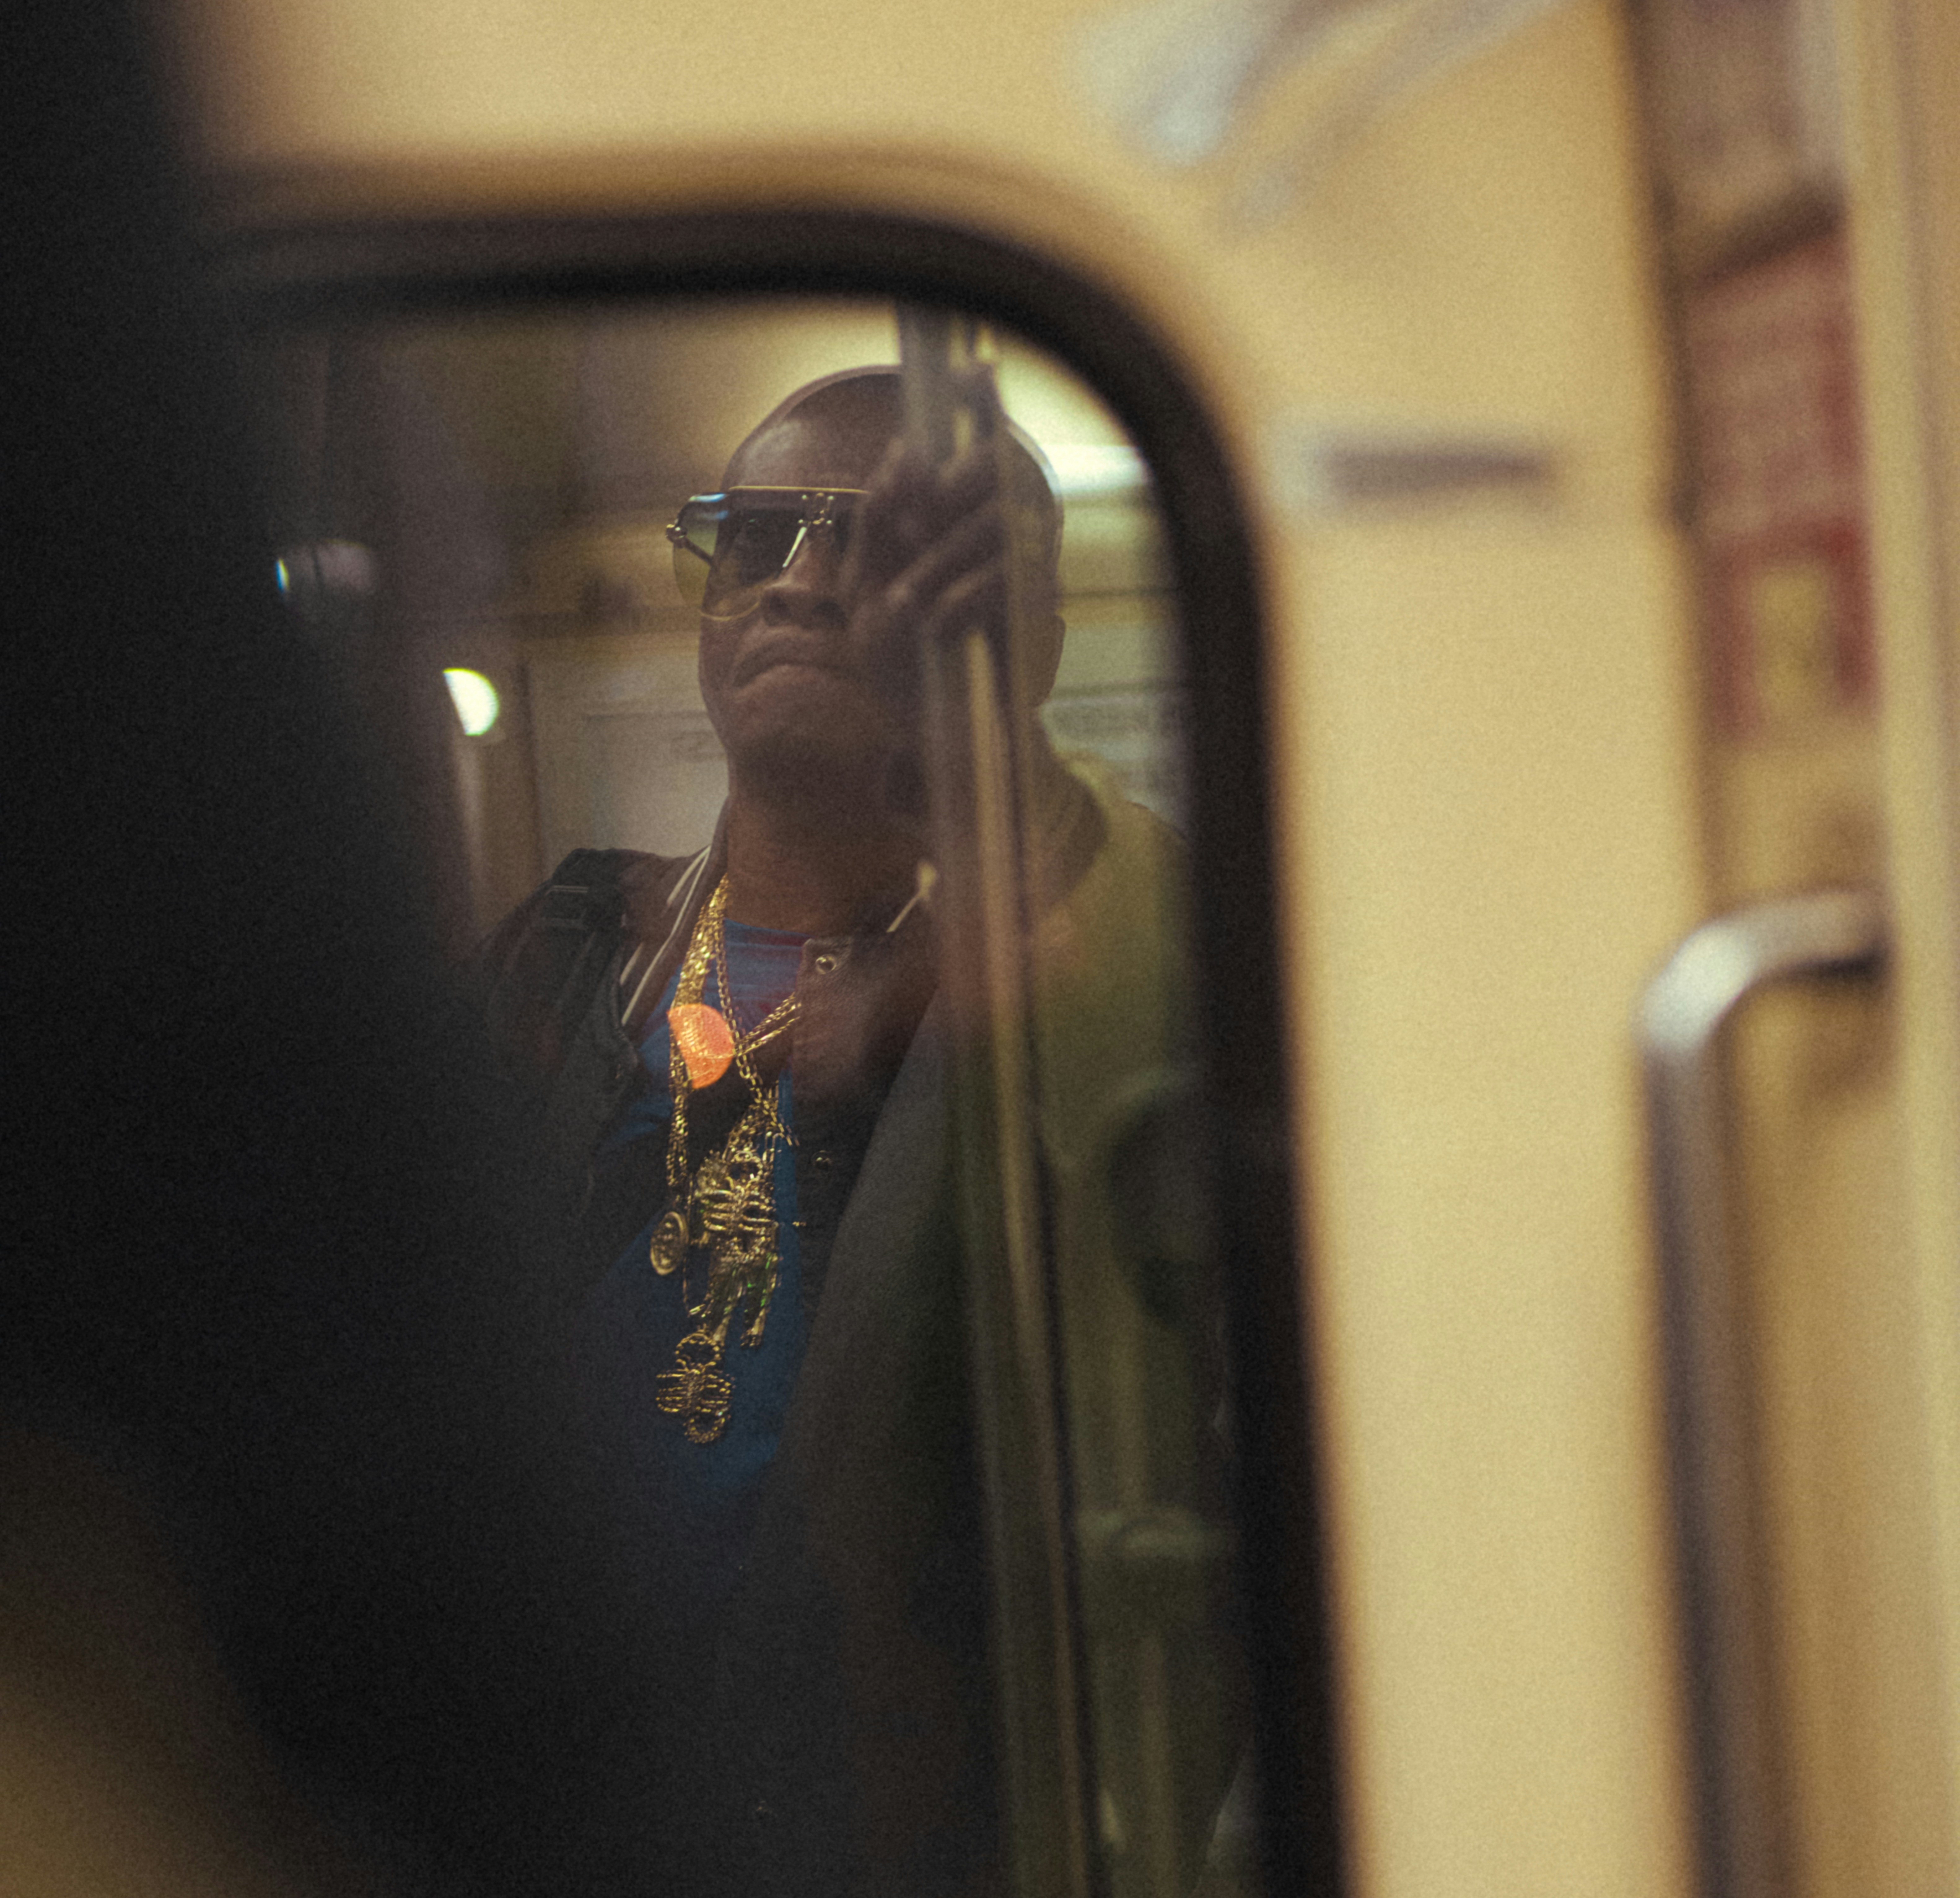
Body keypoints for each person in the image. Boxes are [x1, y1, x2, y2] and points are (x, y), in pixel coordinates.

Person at [477, 364, 1205, 1898]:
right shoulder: (565, 958)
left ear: (1024, 644)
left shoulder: (1073, 956)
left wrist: (991, 778)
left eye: (870, 554)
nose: (800, 591)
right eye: (756, 541)